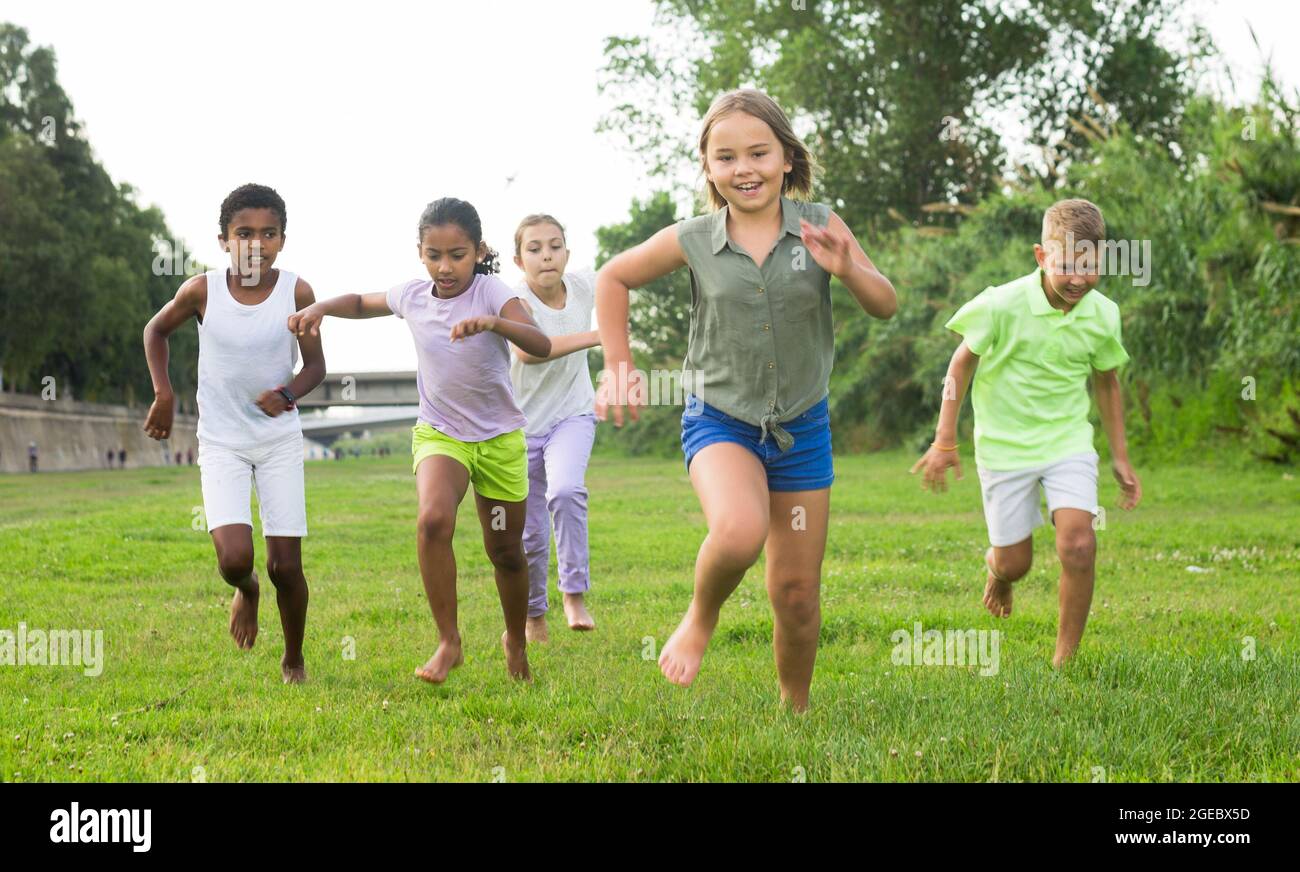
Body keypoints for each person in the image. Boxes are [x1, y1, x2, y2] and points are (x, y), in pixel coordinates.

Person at [595, 89, 897, 711]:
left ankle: (795, 705)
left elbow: (885, 303)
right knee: (738, 531)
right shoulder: (695, 239)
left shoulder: (822, 224)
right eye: (726, 157)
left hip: (802, 429)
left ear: (787, 157)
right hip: (720, 420)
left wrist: (849, 269)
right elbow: (613, 277)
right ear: (708, 167)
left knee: (795, 593)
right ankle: (700, 619)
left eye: (759, 152)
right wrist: (619, 366)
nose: (745, 168)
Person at [289, 197, 551, 684]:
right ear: (420, 252)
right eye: (434, 255)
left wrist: (494, 323)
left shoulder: (493, 292)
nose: (446, 267)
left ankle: (515, 637)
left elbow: (540, 343)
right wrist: (321, 306)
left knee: (506, 553)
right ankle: (449, 641)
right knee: (433, 520)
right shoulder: (413, 296)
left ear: (478, 251)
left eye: (457, 255)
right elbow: (363, 303)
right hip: (441, 434)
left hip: (498, 440)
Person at [910, 198, 1141, 667]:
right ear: (1042, 257)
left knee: (1079, 542)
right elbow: (960, 364)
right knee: (1016, 562)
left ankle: (1064, 660)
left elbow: (1107, 380)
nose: (1079, 278)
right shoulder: (1001, 304)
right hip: (1004, 449)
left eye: (1091, 266)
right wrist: (944, 439)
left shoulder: (1103, 314)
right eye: (1067, 265)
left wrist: (1119, 455)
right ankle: (997, 571)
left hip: (1067, 443)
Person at [143, 183, 325, 683]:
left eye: (268, 234)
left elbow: (316, 368)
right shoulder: (203, 291)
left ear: (282, 241)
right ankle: (246, 590)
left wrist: (287, 395)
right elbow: (154, 331)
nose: (256, 244)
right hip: (222, 442)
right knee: (234, 559)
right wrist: (164, 392)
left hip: (278, 440)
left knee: (285, 566)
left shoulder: (298, 292)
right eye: (244, 233)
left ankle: (294, 659)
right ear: (224, 240)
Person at [508, 214, 601, 641]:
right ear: (518, 259)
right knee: (529, 533)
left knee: (565, 491)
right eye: (535, 248)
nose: (547, 255)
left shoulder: (584, 286)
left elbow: (621, 282)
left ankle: (574, 592)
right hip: (522, 425)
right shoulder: (515, 301)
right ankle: (533, 615)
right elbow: (530, 352)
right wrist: (598, 336)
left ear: (567, 251)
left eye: (555, 245)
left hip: (573, 414)